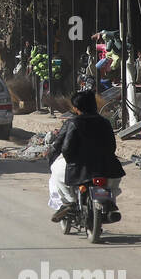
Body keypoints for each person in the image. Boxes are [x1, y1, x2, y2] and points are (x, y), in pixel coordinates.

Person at [48, 90, 125, 224]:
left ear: (76, 108)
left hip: (80, 169)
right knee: (111, 186)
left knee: (56, 170)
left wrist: (67, 160)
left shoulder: (73, 123)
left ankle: (70, 202)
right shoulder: (105, 122)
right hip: (108, 167)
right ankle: (109, 202)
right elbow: (112, 147)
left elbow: (65, 148)